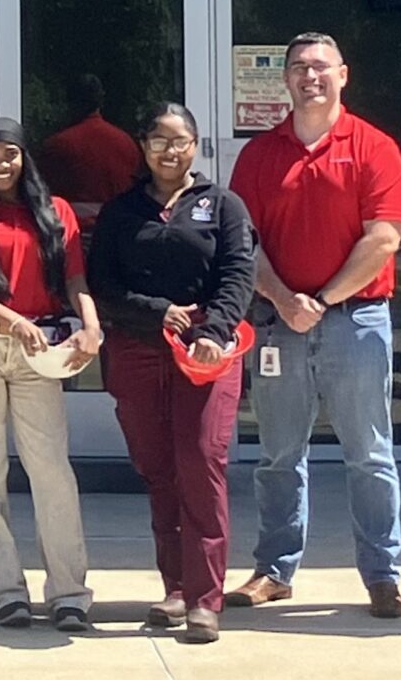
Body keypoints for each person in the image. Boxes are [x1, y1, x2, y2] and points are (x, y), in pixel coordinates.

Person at [229, 31, 401, 617]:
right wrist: (285, 300)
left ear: (343, 74)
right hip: (279, 324)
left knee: (370, 454)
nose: (310, 76)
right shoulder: (259, 156)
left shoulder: (375, 147)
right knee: (279, 455)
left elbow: (383, 237)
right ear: (285, 79)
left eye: (321, 67)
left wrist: (323, 298)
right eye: (299, 68)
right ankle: (274, 570)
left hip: (356, 322)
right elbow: (243, 243)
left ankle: (382, 574)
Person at [88, 99, 255, 645]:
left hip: (206, 351)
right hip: (138, 347)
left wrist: (214, 331)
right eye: (158, 139)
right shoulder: (122, 212)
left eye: (179, 140)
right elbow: (104, 285)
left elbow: (238, 273)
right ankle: (176, 586)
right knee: (158, 467)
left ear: (196, 146)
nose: (169, 150)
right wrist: (154, 311)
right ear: (142, 145)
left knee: (201, 461)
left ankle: (206, 599)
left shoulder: (223, 205)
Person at [0, 117, 101, 633]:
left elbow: (74, 276)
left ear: (25, 157)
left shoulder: (57, 214)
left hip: (40, 354)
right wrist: (13, 322)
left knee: (51, 470)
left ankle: (70, 593)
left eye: (10, 154)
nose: (2, 165)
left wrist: (91, 327)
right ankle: (4, 592)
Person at [37, 75, 143, 221]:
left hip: (72, 233)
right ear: (101, 101)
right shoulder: (126, 143)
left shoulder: (57, 146)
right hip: (118, 232)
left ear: (70, 102)